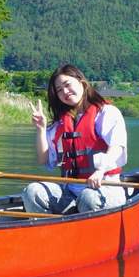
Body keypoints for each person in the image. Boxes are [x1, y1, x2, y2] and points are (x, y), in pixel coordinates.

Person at [22, 64, 128, 215]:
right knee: (32, 191)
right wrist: (40, 129)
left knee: (88, 198)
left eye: (67, 85)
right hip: (70, 191)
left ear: (82, 82)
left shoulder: (106, 113)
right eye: (59, 90)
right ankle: (48, 232)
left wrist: (100, 171)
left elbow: (117, 147)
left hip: (106, 187)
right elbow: (43, 159)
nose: (65, 91)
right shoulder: (61, 124)